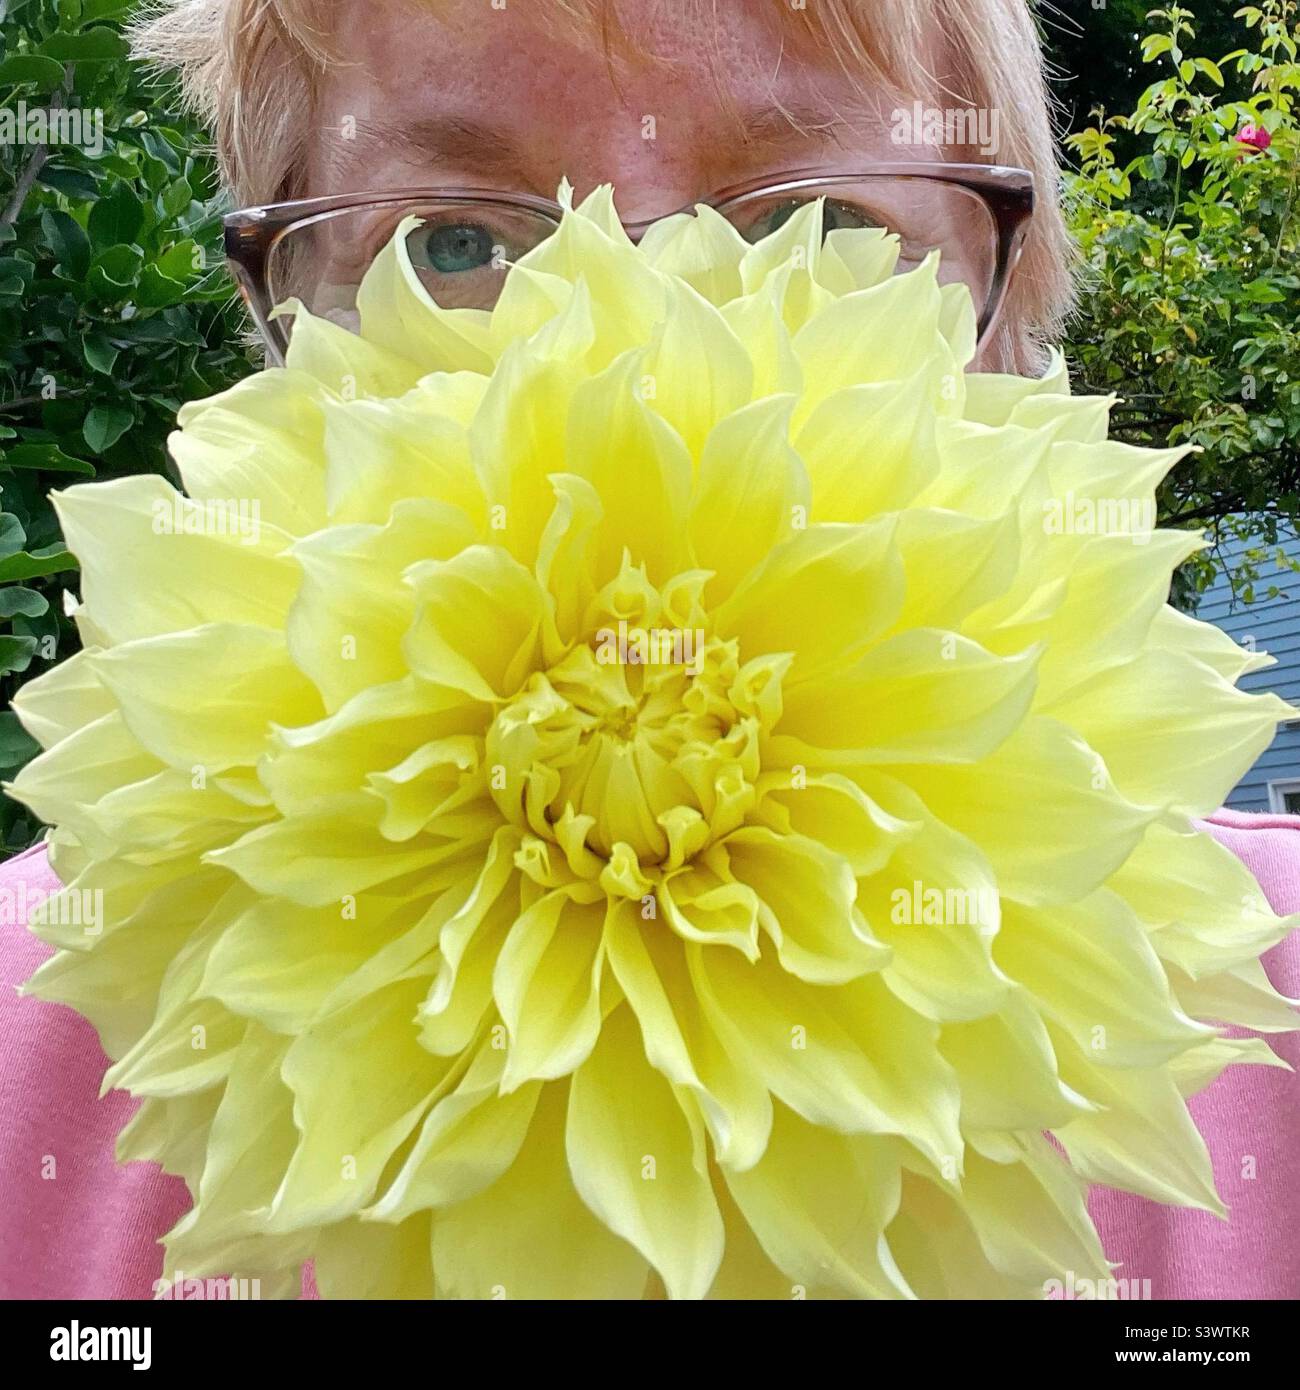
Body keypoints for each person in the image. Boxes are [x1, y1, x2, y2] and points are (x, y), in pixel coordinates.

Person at [0, 0, 1296, 1300]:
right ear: (268, 346)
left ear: (1019, 336)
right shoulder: (31, 1036)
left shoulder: (1262, 1021)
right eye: (456, 241)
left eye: (818, 231)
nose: (635, 319)